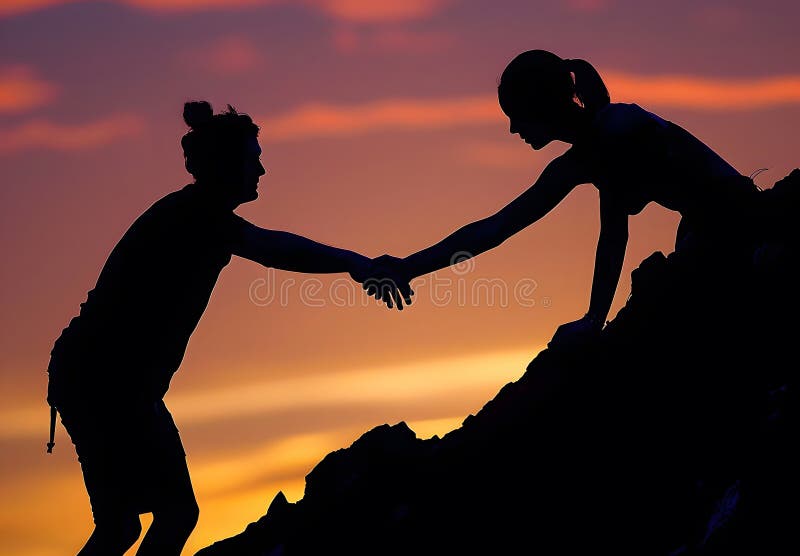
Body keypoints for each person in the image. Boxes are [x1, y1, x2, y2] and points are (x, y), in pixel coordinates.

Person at [45, 101, 392, 556]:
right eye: (254, 159)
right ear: (227, 165)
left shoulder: (193, 213)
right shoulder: (197, 216)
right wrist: (355, 263)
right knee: (168, 515)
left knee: (122, 526)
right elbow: (275, 249)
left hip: (94, 379)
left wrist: (356, 264)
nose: (263, 169)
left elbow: (270, 245)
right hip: (107, 384)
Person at [366, 49, 763, 346]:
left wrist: (594, 319)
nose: (511, 129)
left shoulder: (614, 132)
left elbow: (613, 235)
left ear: (539, 106)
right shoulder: (584, 154)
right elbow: (496, 228)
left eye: (515, 114)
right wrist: (408, 267)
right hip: (709, 228)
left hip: (737, 222)